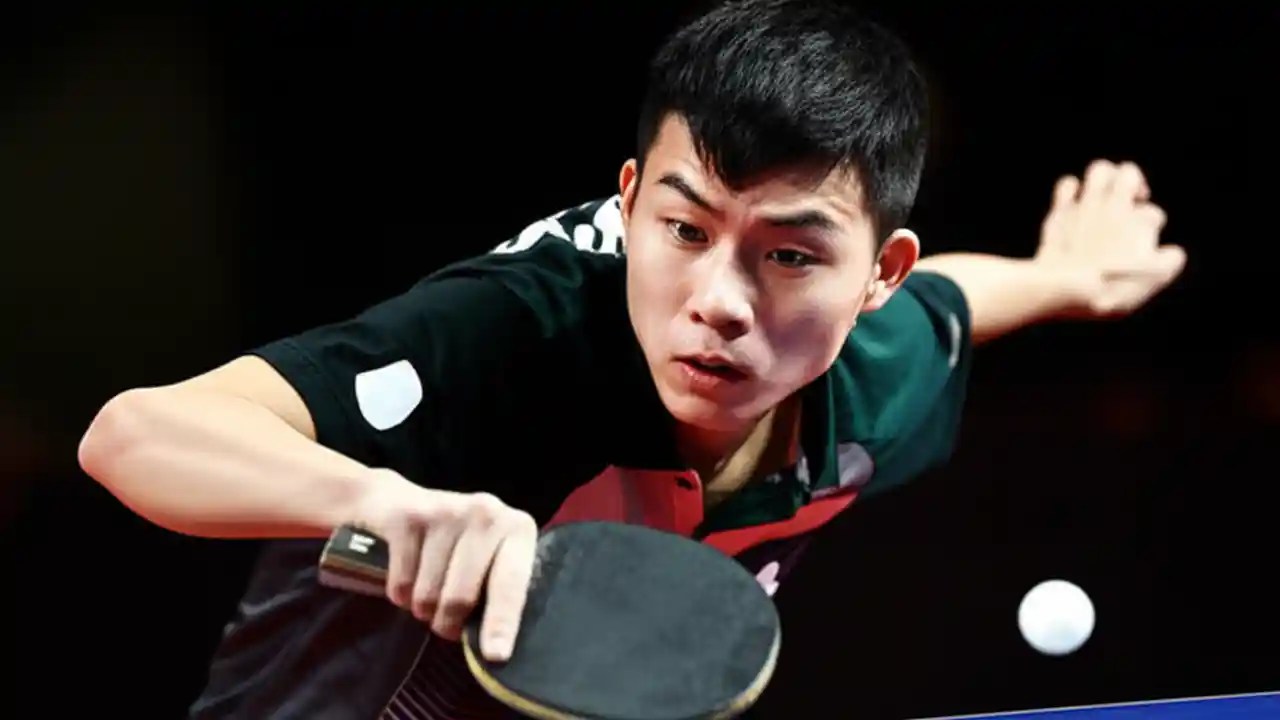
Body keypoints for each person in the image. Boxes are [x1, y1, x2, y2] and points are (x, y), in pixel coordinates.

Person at [77, 0, 1185, 717]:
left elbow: (948, 303)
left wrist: (1062, 281)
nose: (716, 305)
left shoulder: (870, 371)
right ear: (628, 199)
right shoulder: (514, 335)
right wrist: (380, 500)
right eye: (683, 228)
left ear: (872, 274)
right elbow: (134, 433)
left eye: (788, 255)